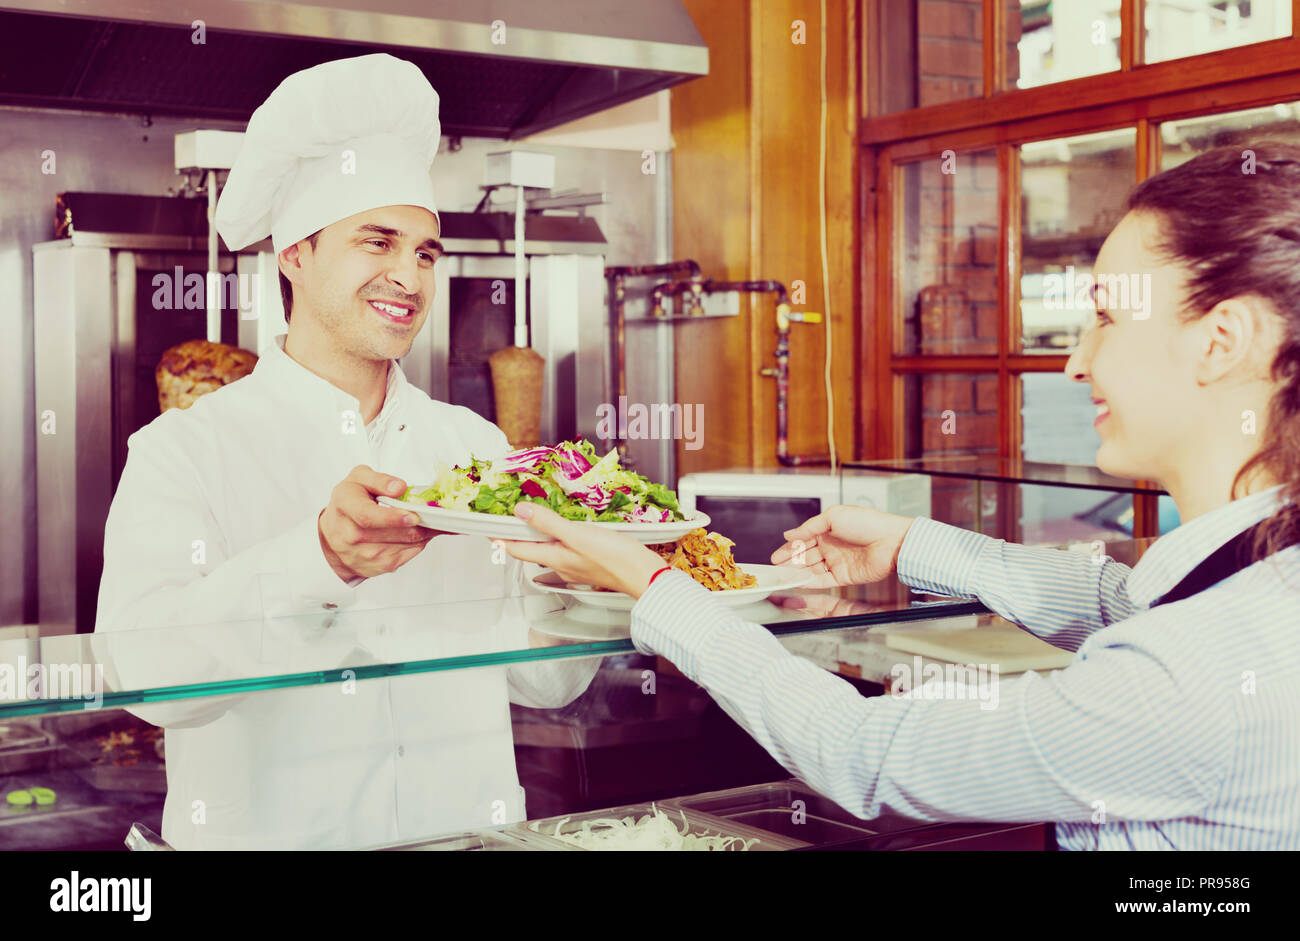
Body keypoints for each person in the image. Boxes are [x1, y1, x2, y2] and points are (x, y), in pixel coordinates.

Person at [502, 142, 1300, 850]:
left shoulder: (1192, 676)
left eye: (1105, 319)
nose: (1075, 363)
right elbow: (1116, 596)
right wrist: (912, 544)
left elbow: (866, 755)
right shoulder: (1260, 579)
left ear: (1220, 340)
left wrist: (656, 588)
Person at [95, 54, 592, 851]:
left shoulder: (474, 448)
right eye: (379, 241)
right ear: (295, 251)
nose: (409, 276)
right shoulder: (183, 450)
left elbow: (548, 680)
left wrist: (587, 567)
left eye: (426, 252)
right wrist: (319, 559)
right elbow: (146, 681)